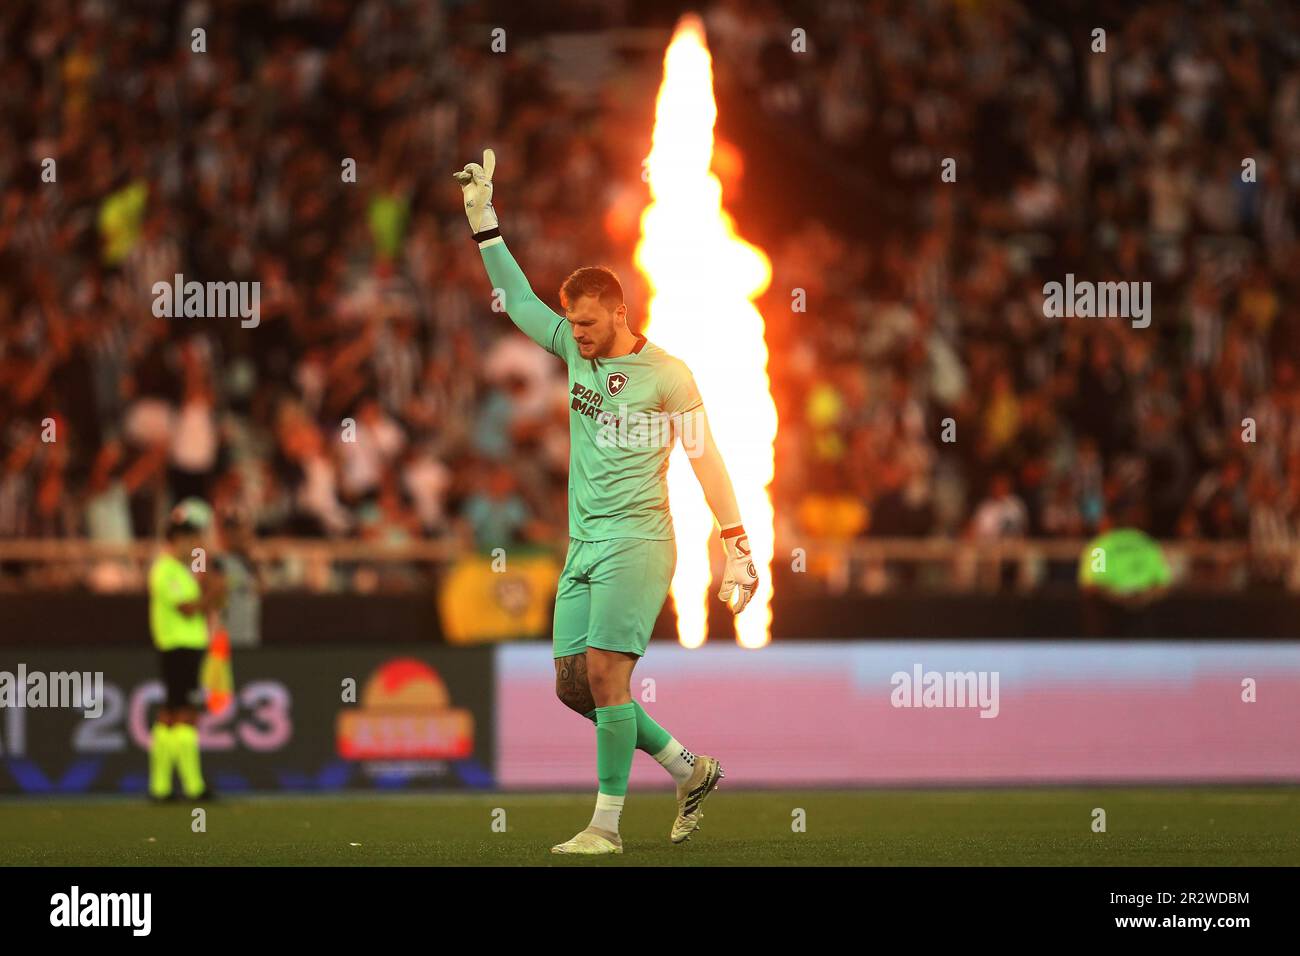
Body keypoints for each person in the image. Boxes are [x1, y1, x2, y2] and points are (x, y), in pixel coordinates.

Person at [455, 149, 759, 855]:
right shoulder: (573, 349)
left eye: (589, 325)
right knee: (573, 686)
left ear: (619, 313)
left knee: (604, 671)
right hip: (584, 543)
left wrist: (736, 539)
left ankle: (605, 827)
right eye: (575, 325)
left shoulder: (667, 376)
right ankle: (690, 769)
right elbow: (523, 303)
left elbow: (704, 456)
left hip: (641, 540)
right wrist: (484, 223)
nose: (579, 336)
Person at [147, 499, 222, 802]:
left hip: (186, 647)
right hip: (179, 647)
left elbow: (202, 600)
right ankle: (193, 786)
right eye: (190, 538)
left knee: (169, 713)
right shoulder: (165, 570)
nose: (194, 543)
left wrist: (208, 584)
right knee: (185, 714)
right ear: (175, 539)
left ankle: (161, 786)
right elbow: (189, 608)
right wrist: (214, 594)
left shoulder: (183, 569)